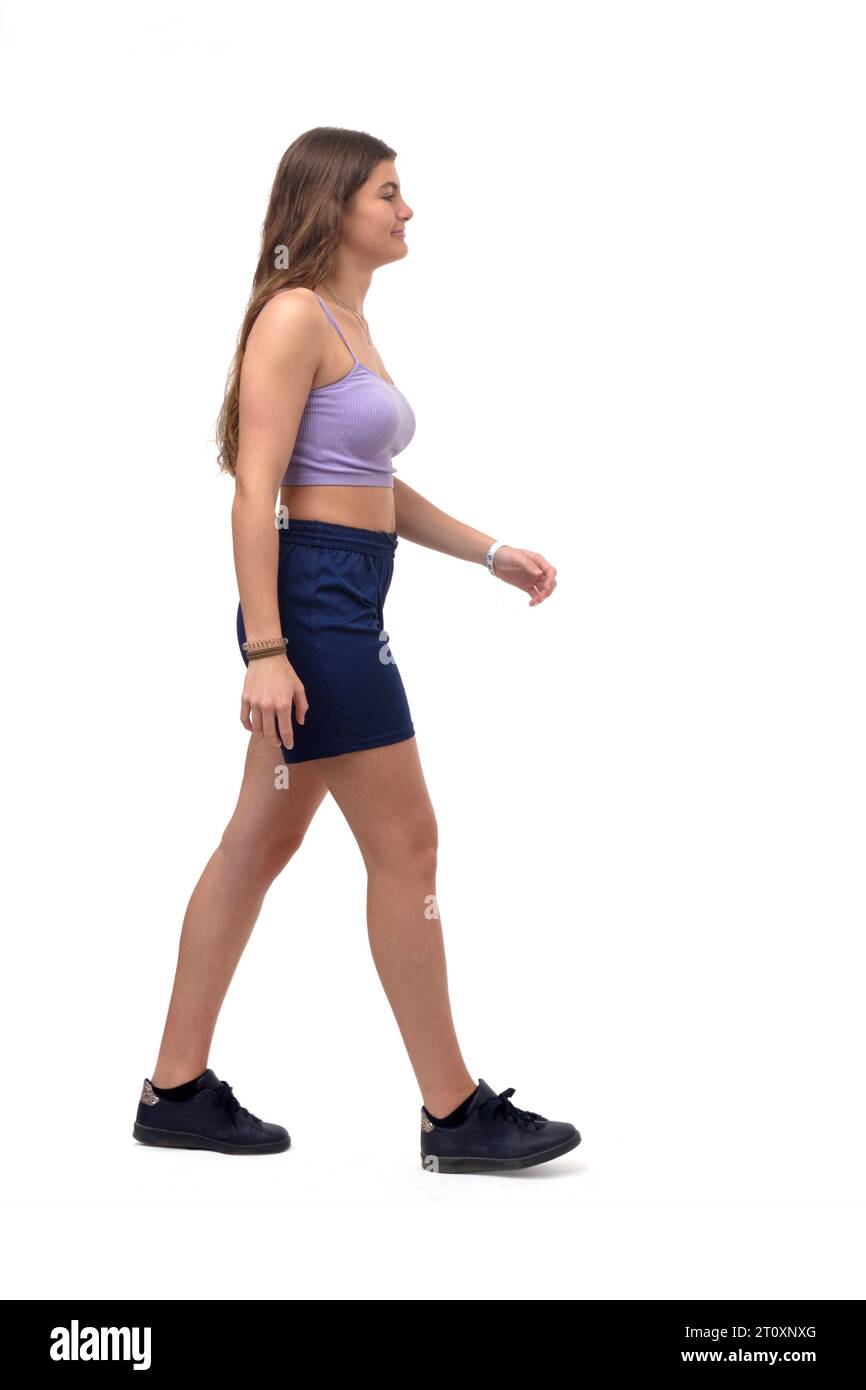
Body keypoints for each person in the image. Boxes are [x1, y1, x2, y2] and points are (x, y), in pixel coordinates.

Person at [132, 126, 581, 1173]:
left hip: (339, 596)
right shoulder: (293, 319)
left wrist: (488, 551)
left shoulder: (345, 321)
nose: (406, 208)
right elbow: (256, 491)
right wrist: (264, 646)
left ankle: (176, 1087)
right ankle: (453, 1109)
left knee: (258, 840)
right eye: (388, 191)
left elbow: (369, 486)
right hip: (315, 614)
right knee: (408, 847)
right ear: (332, 205)